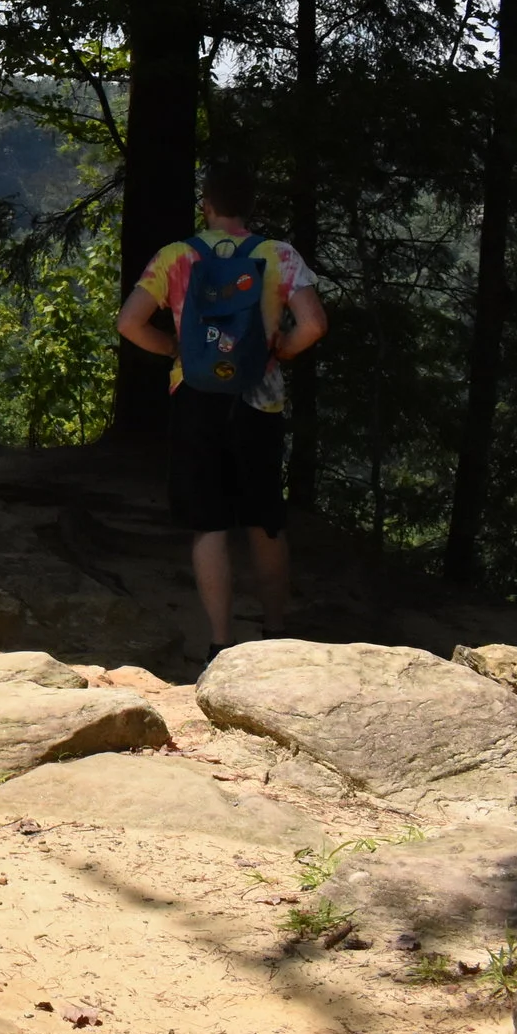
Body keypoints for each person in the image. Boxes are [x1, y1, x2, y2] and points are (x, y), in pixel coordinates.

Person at [115, 164, 328, 661]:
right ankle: (276, 635)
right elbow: (314, 324)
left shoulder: (176, 256)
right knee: (264, 520)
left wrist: (172, 348)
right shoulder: (279, 256)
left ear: (206, 205)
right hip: (259, 397)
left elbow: (129, 323)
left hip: (194, 395)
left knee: (210, 524)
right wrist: (284, 351)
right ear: (249, 206)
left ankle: (219, 644)